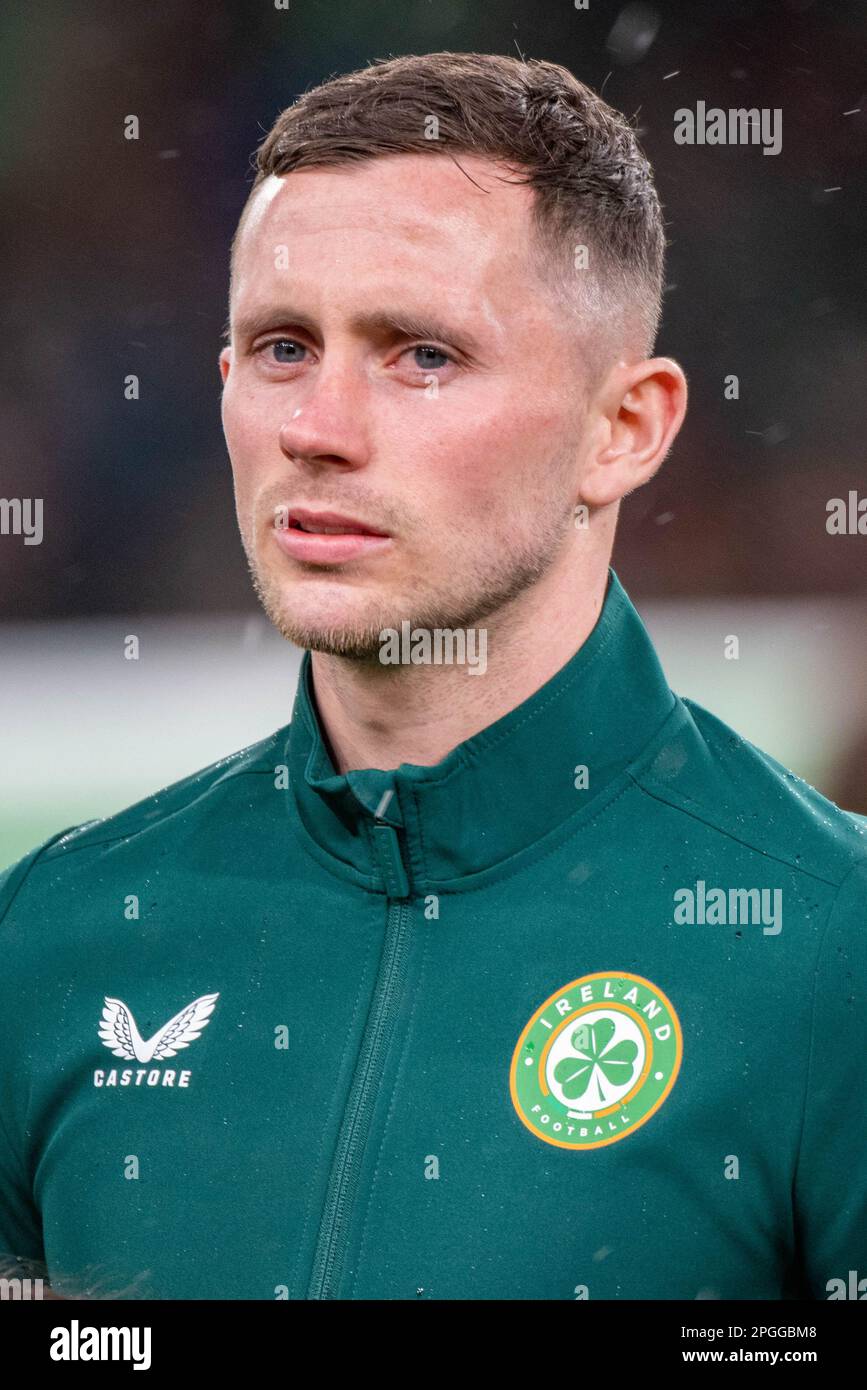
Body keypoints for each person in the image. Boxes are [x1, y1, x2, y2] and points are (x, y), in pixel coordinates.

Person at [1, 51, 864, 1302]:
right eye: (284, 347)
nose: (319, 426)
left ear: (623, 430)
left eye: (422, 355)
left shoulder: (828, 942)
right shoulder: (57, 934)